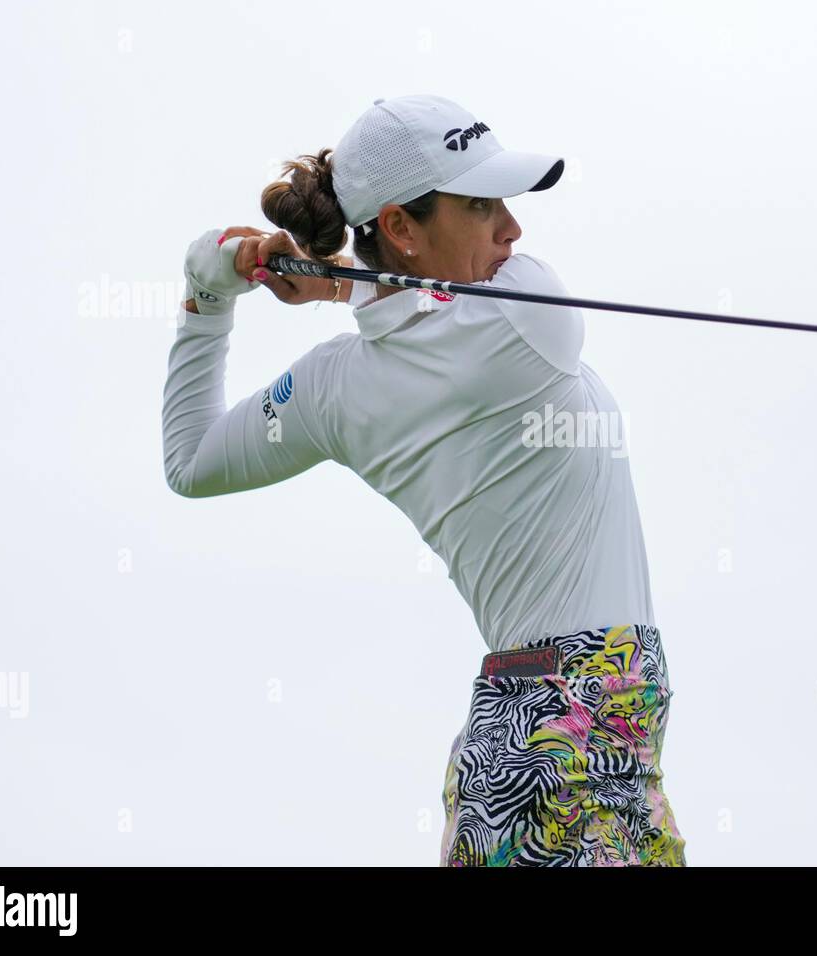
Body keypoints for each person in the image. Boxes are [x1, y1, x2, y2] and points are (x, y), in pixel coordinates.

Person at [161, 94, 686, 866]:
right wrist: (342, 283)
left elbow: (190, 457)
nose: (512, 227)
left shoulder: (336, 386)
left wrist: (207, 299)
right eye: (479, 205)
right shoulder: (522, 317)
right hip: (558, 749)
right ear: (402, 228)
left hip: (581, 750)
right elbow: (195, 465)